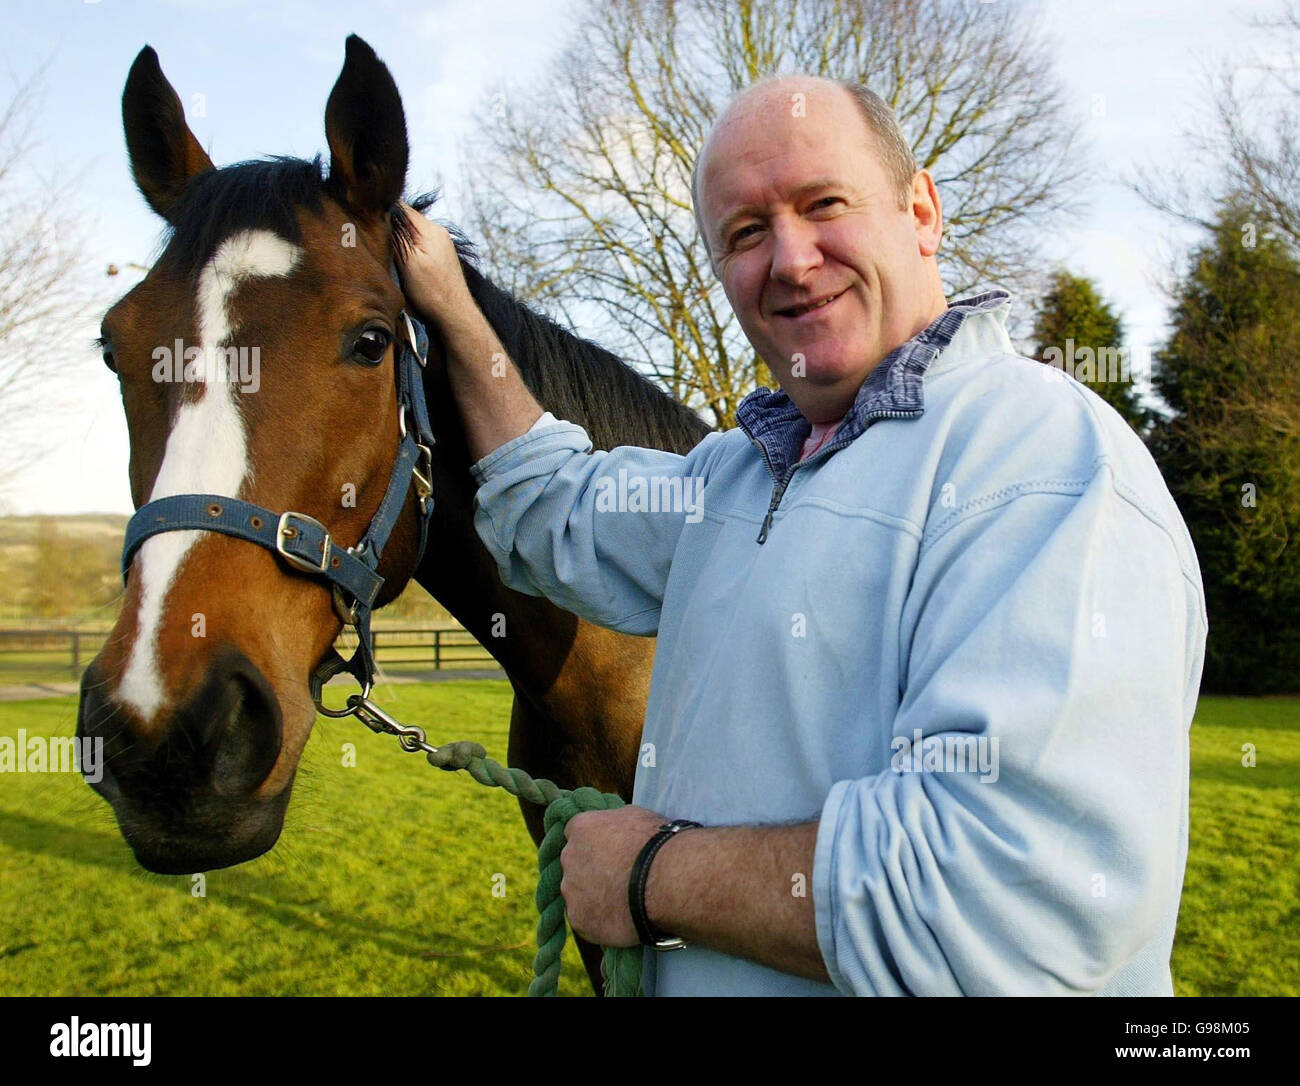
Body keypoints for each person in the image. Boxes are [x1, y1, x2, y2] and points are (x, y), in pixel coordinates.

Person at [393, 74, 1207, 996]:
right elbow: (552, 507)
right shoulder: (736, 476)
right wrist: (455, 311)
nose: (789, 258)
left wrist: (650, 876)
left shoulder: (1045, 463)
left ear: (921, 211)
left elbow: (1009, 895)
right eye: (743, 233)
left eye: (824, 204)